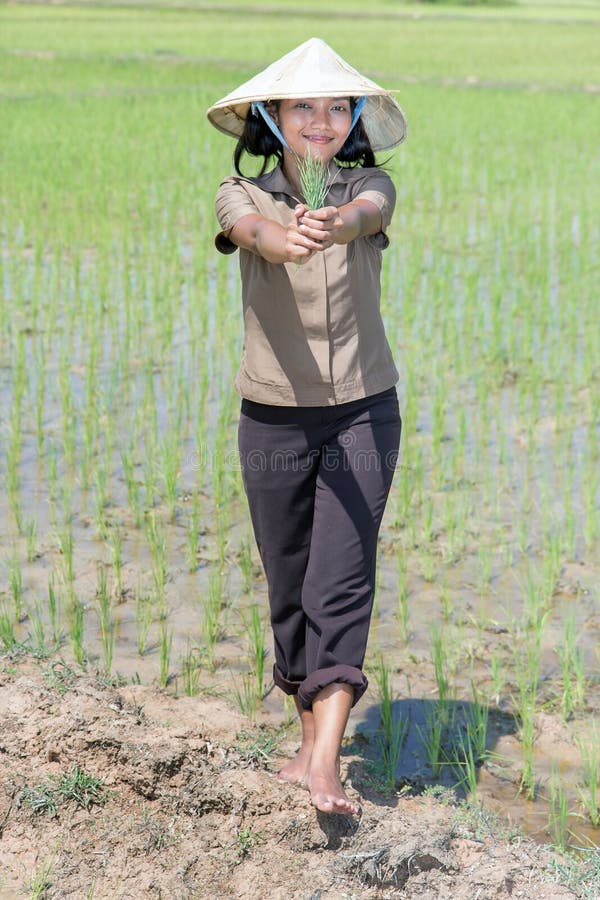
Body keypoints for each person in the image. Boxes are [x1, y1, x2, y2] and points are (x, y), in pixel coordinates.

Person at [206, 38, 407, 816]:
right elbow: (246, 232)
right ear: (273, 116)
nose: (319, 121)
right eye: (302, 107)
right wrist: (277, 237)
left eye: (334, 107)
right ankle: (306, 742)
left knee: (341, 580)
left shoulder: (371, 187)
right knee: (290, 588)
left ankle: (326, 763)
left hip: (363, 412)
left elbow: (368, 213)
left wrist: (338, 222)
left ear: (352, 117)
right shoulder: (242, 194)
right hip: (273, 422)